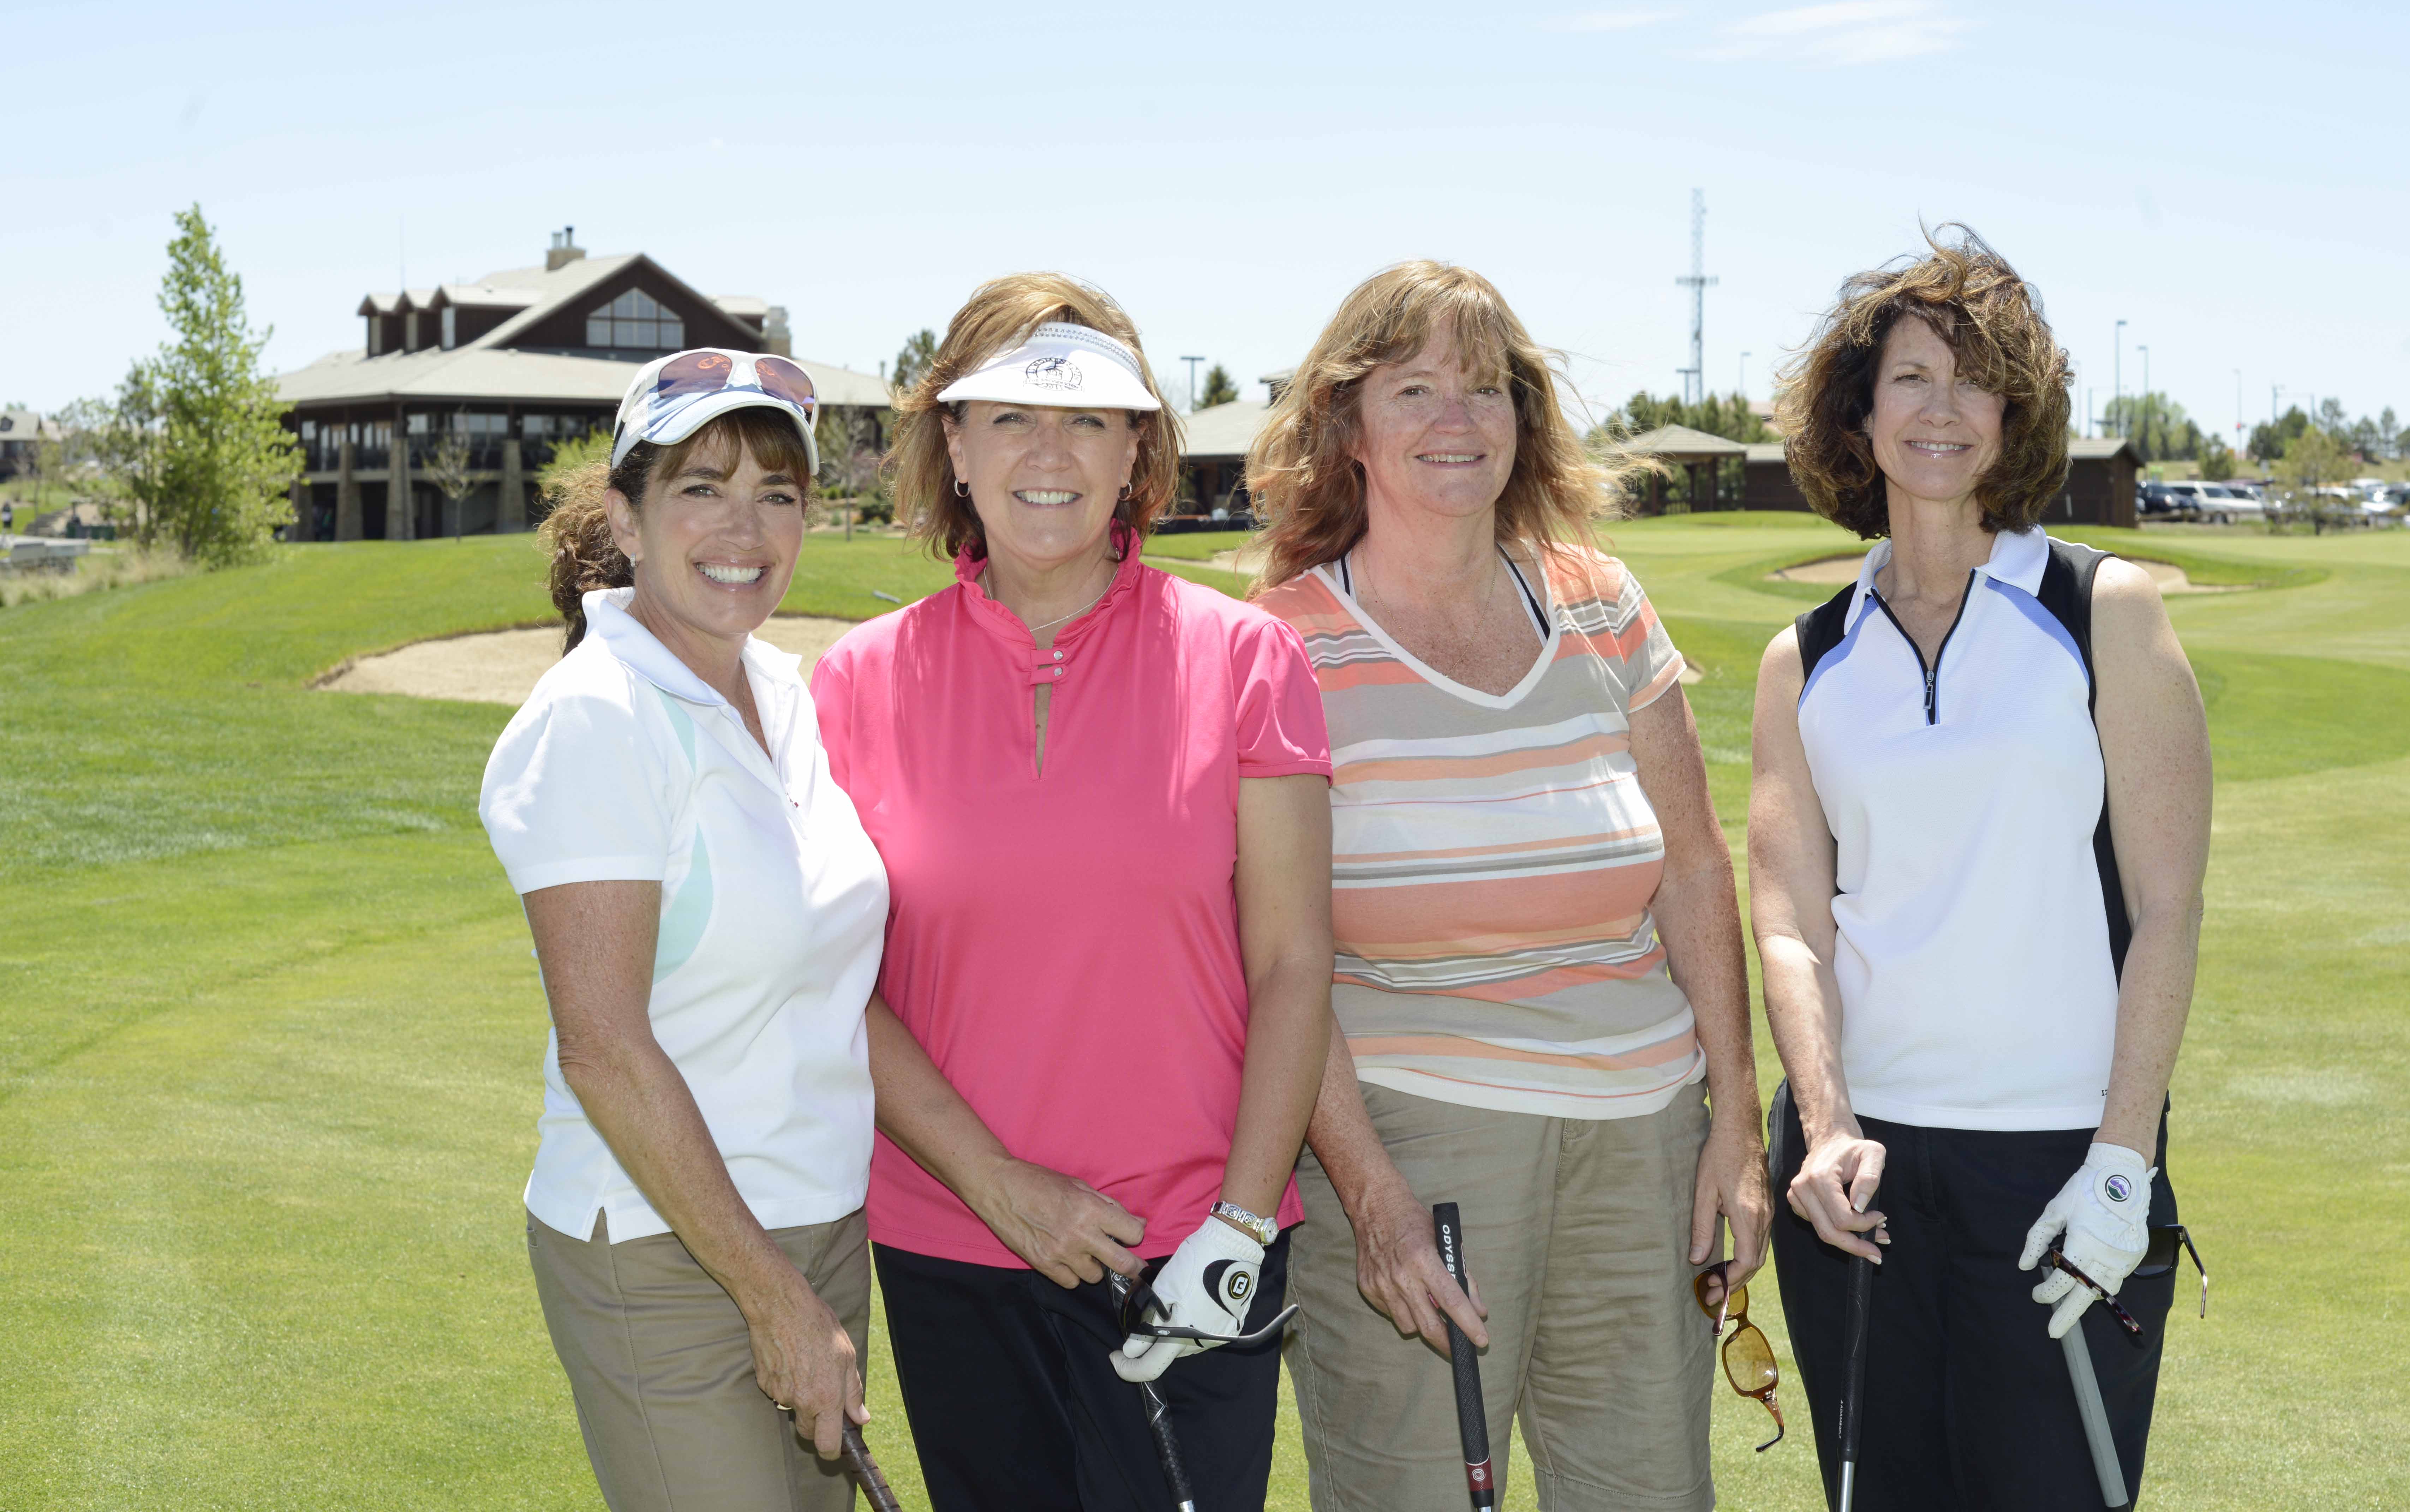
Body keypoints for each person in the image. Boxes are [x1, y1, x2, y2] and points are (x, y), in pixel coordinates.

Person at [1244, 260, 1774, 1512]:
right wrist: (1370, 1195)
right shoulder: (1280, 642)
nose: (1456, 420)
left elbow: (1695, 866)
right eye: (1414, 387)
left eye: (1486, 389)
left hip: (1643, 1134)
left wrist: (1737, 1128)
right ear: (1347, 424)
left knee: (1648, 1491)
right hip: (1412, 1139)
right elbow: (1284, 957)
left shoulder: (1600, 601)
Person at [809, 275, 1334, 1512]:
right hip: (950, 1244)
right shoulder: (850, 684)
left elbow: (1295, 966)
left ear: (1136, 446)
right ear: (952, 441)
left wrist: (1244, 1231)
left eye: (1089, 420)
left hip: (1198, 1254)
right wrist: (999, 1187)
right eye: (1009, 419)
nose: (1049, 455)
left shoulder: (1247, 657)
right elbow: (834, 987)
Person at [1745, 229, 2211, 1510]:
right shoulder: (1808, 656)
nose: (1940, 408)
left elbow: (2168, 910)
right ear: (1861, 410)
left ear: (2017, 411)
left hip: (2060, 1163)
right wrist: (1826, 1121)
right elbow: (1787, 916)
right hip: (1864, 1171)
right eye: (1908, 377)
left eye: (1974, 378)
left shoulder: (2099, 610)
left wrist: (2126, 1162)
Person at [479, 349, 889, 1511]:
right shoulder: (596, 720)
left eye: (778, 494)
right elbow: (603, 1045)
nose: (743, 527)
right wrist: (772, 1299)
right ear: (628, 513)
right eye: (701, 487)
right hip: (665, 1251)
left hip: (816, 1223)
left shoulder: (784, 692)